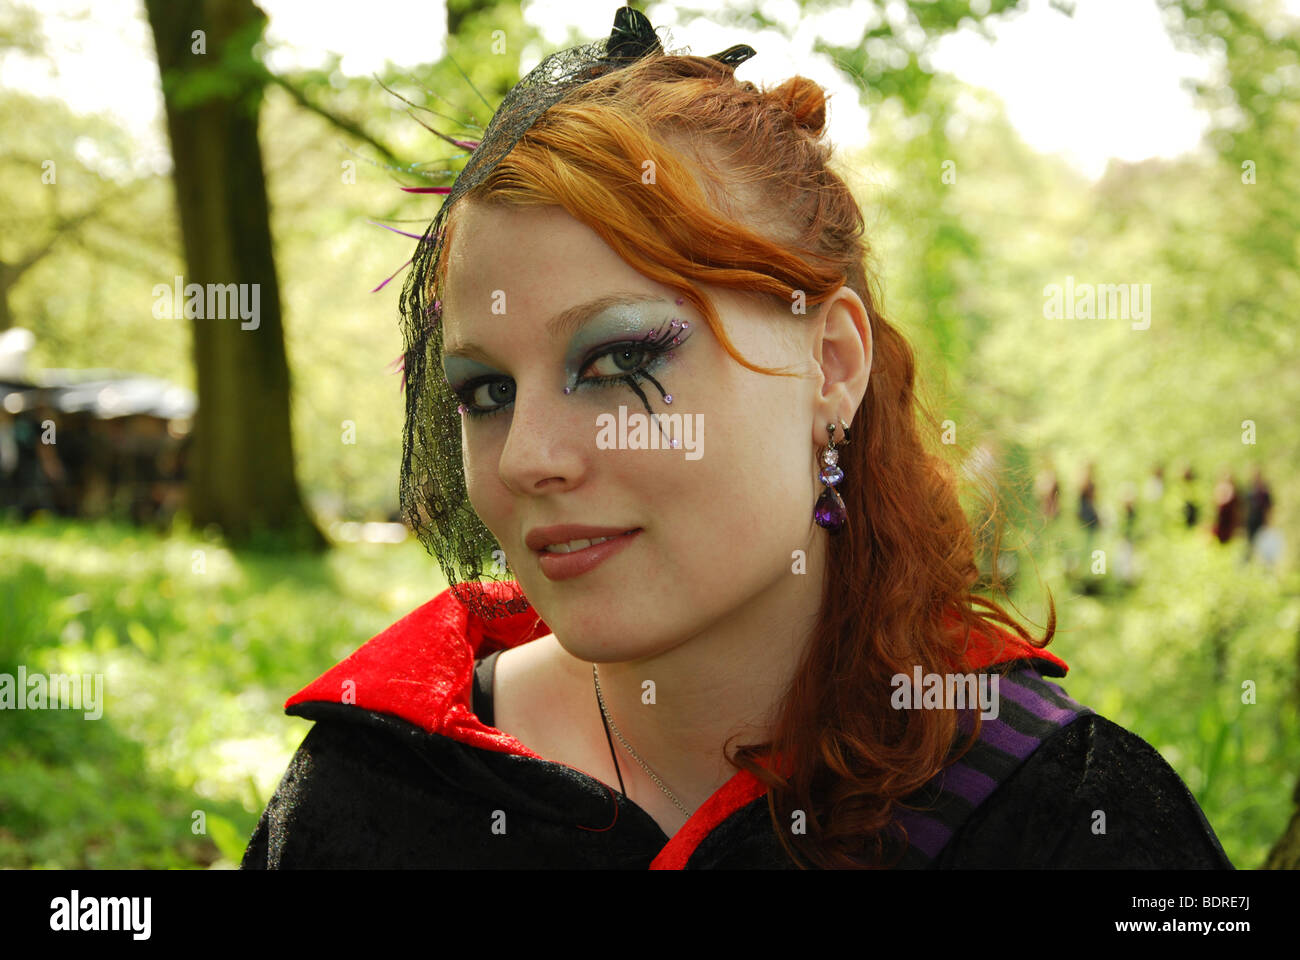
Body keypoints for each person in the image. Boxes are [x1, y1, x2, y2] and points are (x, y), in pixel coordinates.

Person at [241, 7, 1231, 870]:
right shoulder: (371, 792)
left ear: (830, 366)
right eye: (485, 390)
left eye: (620, 362)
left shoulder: (1059, 814)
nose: (526, 456)